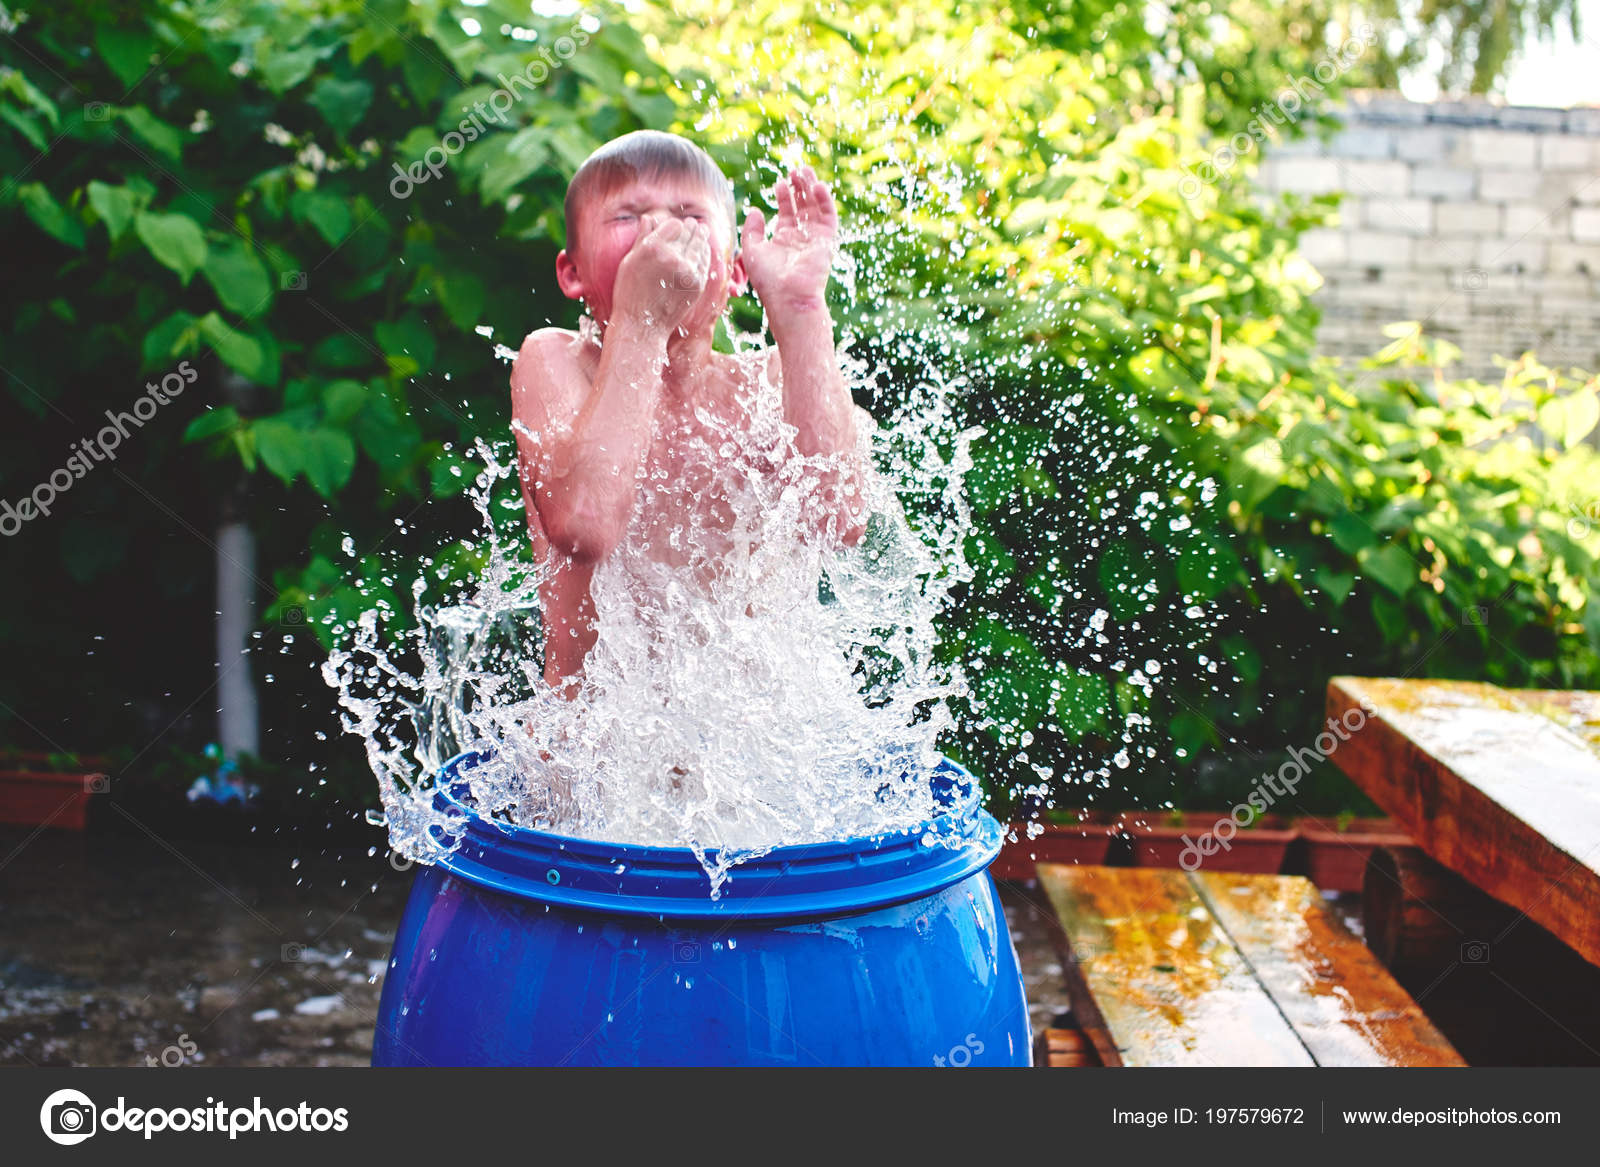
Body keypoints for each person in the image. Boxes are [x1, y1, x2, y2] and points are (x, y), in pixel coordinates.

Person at [509, 130, 871, 707]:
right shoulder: (555, 362)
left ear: (732, 274)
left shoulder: (769, 381)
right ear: (571, 272)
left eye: (686, 214)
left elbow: (840, 521)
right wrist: (640, 322)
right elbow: (584, 524)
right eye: (627, 215)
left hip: (754, 754)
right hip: (593, 764)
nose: (658, 230)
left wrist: (802, 314)